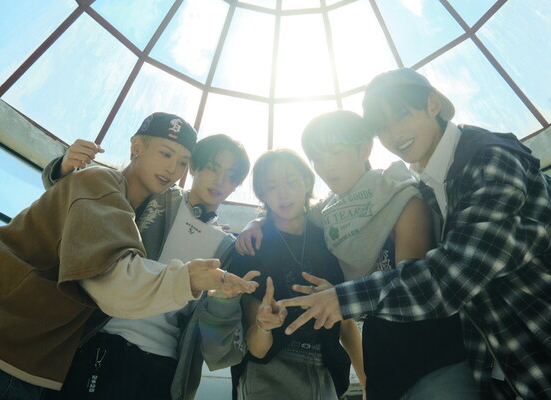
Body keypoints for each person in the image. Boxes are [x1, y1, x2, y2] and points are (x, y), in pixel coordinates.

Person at [278, 69, 551, 400]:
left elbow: (449, 278)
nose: (394, 134)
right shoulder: (431, 183)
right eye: (382, 127)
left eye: (401, 115)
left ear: (433, 105)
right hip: (505, 365)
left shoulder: (489, 161)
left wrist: (342, 299)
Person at [0, 112, 256, 400]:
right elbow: (111, 274)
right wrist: (187, 279)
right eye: (165, 154)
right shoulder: (114, 189)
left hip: (32, 359)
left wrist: (258, 224)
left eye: (181, 161)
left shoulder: (138, 207)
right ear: (137, 147)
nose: (171, 168)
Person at [237, 110, 479, 399]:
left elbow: (413, 290)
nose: (327, 166)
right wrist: (256, 222)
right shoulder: (328, 217)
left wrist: (342, 298)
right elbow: (291, 215)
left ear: (364, 150)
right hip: (381, 360)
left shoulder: (400, 197)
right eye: (318, 158)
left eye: (336, 152)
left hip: (432, 357)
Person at [41, 133, 257, 400]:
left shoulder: (229, 249)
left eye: (231, 176)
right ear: (192, 167)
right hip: (101, 341)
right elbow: (89, 200)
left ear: (236, 185)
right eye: (213, 168)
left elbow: (217, 349)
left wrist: (224, 302)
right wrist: (62, 169)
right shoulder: (154, 198)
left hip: (163, 369)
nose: (220, 181)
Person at [226, 148, 359, 400]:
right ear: (262, 194)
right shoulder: (252, 246)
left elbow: (346, 321)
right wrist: (264, 325)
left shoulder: (330, 238)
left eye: (290, 182)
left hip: (327, 373)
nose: (283, 193)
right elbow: (257, 349)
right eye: (272, 186)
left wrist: (366, 380)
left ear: (307, 182)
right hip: (269, 374)